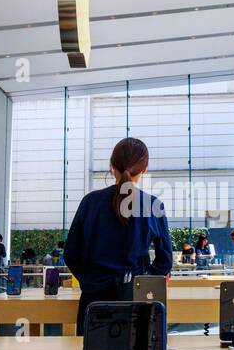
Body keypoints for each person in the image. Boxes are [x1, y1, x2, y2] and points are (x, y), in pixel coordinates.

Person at [64, 137, 173, 335]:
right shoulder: (153, 205)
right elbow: (165, 260)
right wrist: (143, 280)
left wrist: (90, 280)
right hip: (137, 299)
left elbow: (71, 253)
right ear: (144, 170)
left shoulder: (90, 202)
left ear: (112, 166)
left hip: (94, 300)